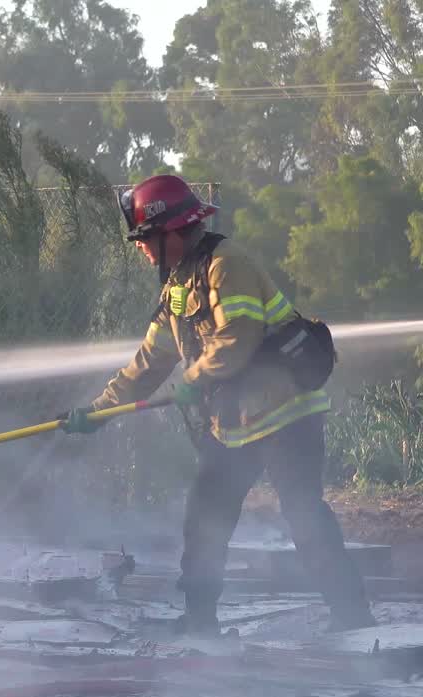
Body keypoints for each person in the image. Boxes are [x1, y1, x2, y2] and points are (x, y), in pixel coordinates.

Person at [60, 174, 375, 636]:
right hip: (234, 426)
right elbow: (149, 362)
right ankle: (199, 622)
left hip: (286, 416)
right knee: (205, 520)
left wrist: (191, 379)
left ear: (170, 232)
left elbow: (236, 339)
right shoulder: (179, 286)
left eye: (145, 238)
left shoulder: (228, 265)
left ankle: (353, 619)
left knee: (304, 515)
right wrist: (98, 411)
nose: (141, 248)